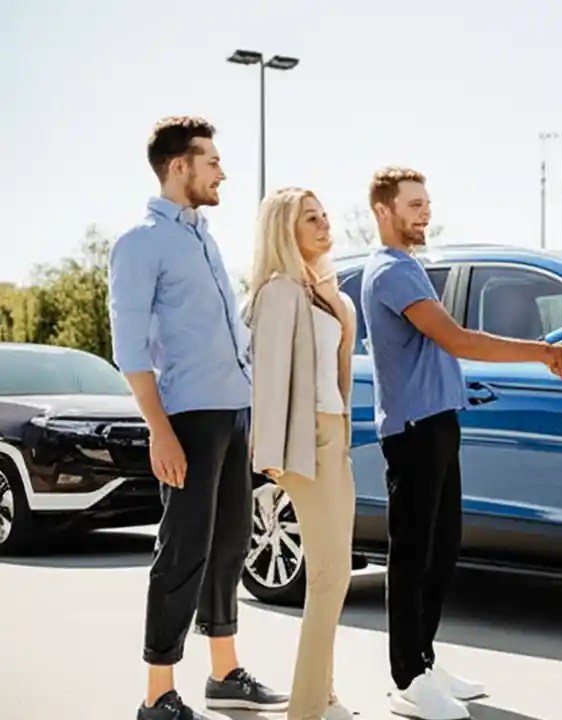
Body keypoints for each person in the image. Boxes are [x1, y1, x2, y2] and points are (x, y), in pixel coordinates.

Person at [359, 167, 562, 720]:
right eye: (413, 204)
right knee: (413, 556)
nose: (424, 212)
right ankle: (408, 680)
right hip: (413, 431)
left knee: (442, 549)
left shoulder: (409, 266)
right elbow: (458, 340)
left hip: (438, 422)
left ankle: (424, 659)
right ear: (383, 211)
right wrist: (543, 352)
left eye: (426, 203)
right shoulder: (391, 271)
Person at [108, 116, 289, 719]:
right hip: (187, 416)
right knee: (183, 549)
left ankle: (224, 672)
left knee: (232, 542)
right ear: (179, 165)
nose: (222, 171)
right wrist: (159, 429)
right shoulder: (140, 243)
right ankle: (157, 694)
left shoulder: (203, 237)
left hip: (232, 411)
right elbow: (130, 348)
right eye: (211, 161)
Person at [243, 187, 357, 720]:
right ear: (284, 231)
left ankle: (324, 696)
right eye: (310, 218)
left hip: (335, 437)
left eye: (324, 215)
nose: (323, 224)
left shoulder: (319, 289)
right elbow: (267, 378)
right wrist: (271, 456)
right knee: (329, 576)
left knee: (333, 580)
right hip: (305, 441)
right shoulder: (279, 291)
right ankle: (308, 708)